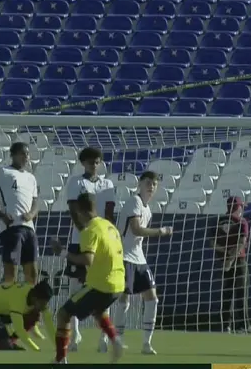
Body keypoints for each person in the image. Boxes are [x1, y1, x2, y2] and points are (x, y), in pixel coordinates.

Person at [51, 193, 125, 364]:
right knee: (97, 311)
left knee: (63, 314)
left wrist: (62, 252)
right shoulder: (108, 226)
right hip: (119, 283)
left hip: (102, 284)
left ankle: (60, 359)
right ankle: (116, 340)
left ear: (80, 210)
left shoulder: (89, 230)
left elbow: (87, 260)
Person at [113, 171, 172, 355]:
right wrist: (160, 231)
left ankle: (147, 343)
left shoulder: (147, 209)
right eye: (148, 182)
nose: (151, 186)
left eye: (154, 183)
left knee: (152, 299)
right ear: (140, 183)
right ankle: (117, 340)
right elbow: (136, 229)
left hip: (139, 258)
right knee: (124, 301)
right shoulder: (134, 202)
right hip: (124, 257)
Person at [63, 147, 116, 351]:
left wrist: (105, 235)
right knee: (76, 288)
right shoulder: (76, 182)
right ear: (83, 163)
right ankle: (75, 335)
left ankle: (103, 338)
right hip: (81, 241)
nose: (93, 165)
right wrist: (86, 233)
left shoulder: (108, 184)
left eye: (96, 161)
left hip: (102, 244)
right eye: (89, 161)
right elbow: (74, 211)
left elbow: (109, 213)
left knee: (104, 288)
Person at [0, 142, 40, 284]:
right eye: (22, 153)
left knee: (32, 272)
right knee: (11, 272)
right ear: (13, 155)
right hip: (12, 227)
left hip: (29, 228)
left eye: (27, 154)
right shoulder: (3, 172)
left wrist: (31, 214)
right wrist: (1, 215)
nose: (26, 157)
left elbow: (36, 202)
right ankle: (5, 302)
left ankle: (28, 303)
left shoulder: (31, 177)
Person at [211, 196, 251, 333]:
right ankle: (243, 326)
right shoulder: (242, 222)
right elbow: (241, 242)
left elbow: (212, 243)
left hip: (224, 262)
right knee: (241, 294)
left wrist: (224, 253)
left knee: (227, 295)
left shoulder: (220, 221)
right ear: (238, 207)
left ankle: (225, 326)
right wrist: (231, 259)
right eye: (241, 207)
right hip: (238, 261)